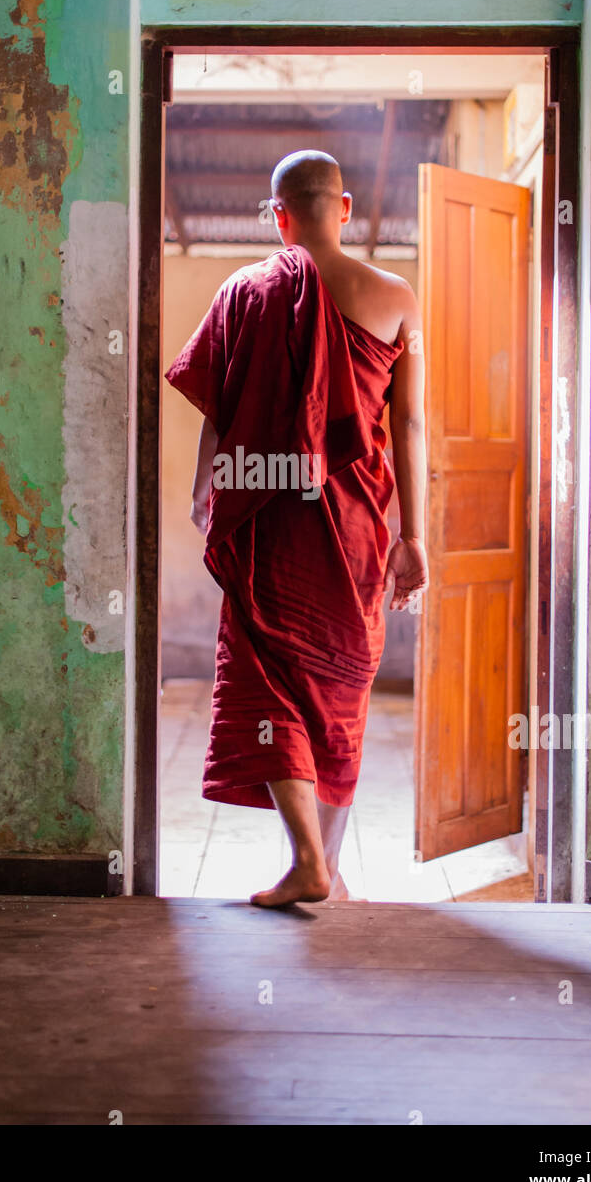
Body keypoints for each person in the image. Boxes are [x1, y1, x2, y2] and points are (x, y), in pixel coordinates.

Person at [165, 150, 428, 907]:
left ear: (277, 215)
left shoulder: (243, 291)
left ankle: (309, 859)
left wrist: (204, 492)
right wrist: (413, 533)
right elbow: (408, 420)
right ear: (341, 208)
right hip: (355, 525)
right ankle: (326, 867)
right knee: (339, 685)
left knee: (266, 678)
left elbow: (218, 407)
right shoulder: (395, 295)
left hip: (269, 516)